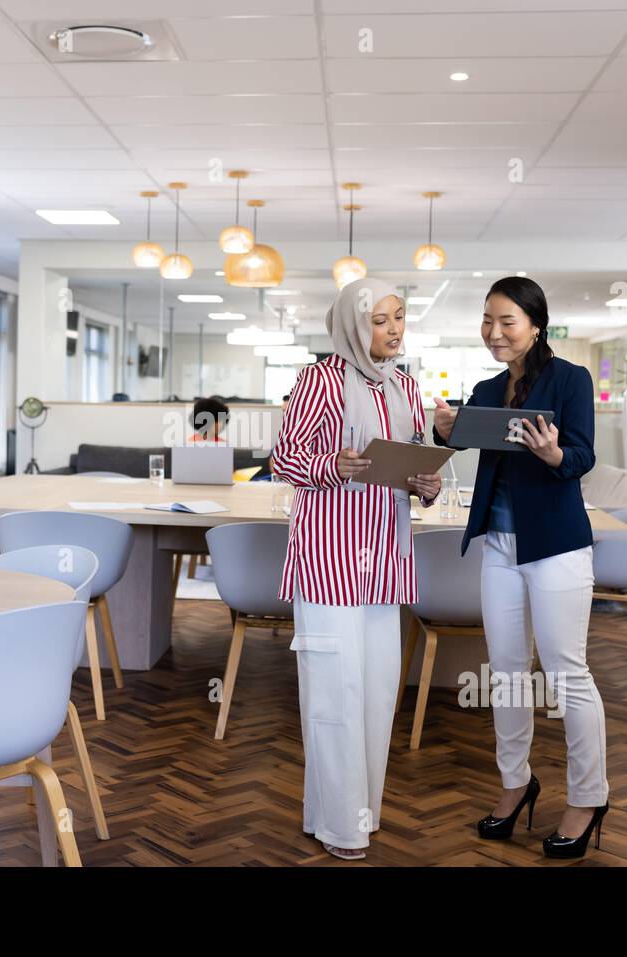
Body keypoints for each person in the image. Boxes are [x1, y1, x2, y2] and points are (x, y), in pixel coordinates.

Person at [431, 275, 608, 859]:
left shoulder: (571, 379)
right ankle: (515, 785)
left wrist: (554, 453)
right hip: (499, 547)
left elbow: (580, 455)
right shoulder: (484, 388)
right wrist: (443, 432)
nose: (494, 332)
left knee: (565, 673)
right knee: (506, 671)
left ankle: (587, 798)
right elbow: (454, 449)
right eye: (487, 320)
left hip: (555, 546)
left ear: (536, 325)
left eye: (507, 321)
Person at [271, 278, 442, 860]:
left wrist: (427, 484)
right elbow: (284, 459)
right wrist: (333, 463)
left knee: (374, 694)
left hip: (385, 564)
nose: (394, 328)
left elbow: (417, 464)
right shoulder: (318, 380)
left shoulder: (406, 387)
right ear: (352, 324)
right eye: (381, 320)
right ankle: (337, 824)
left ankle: (358, 814)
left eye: (399, 317)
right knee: (334, 695)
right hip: (329, 561)